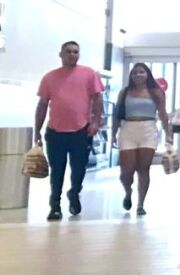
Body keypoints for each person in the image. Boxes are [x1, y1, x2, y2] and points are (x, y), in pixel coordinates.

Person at [33, 40, 104, 221]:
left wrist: (95, 122)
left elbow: (97, 99)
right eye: (69, 52)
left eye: (75, 52)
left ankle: (74, 193)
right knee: (57, 170)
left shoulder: (89, 74)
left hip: (81, 131)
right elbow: (42, 105)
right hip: (55, 131)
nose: (72, 55)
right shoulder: (49, 77)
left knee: (79, 169)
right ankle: (55, 205)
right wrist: (37, 131)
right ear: (61, 54)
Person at [111, 62, 171, 216]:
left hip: (148, 129)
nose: (138, 75)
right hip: (128, 129)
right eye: (135, 72)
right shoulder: (125, 92)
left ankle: (140, 204)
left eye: (141, 72)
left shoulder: (156, 92)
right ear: (131, 76)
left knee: (144, 168)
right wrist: (113, 133)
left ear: (147, 74)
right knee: (126, 171)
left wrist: (168, 134)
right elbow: (117, 113)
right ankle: (128, 191)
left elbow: (163, 114)